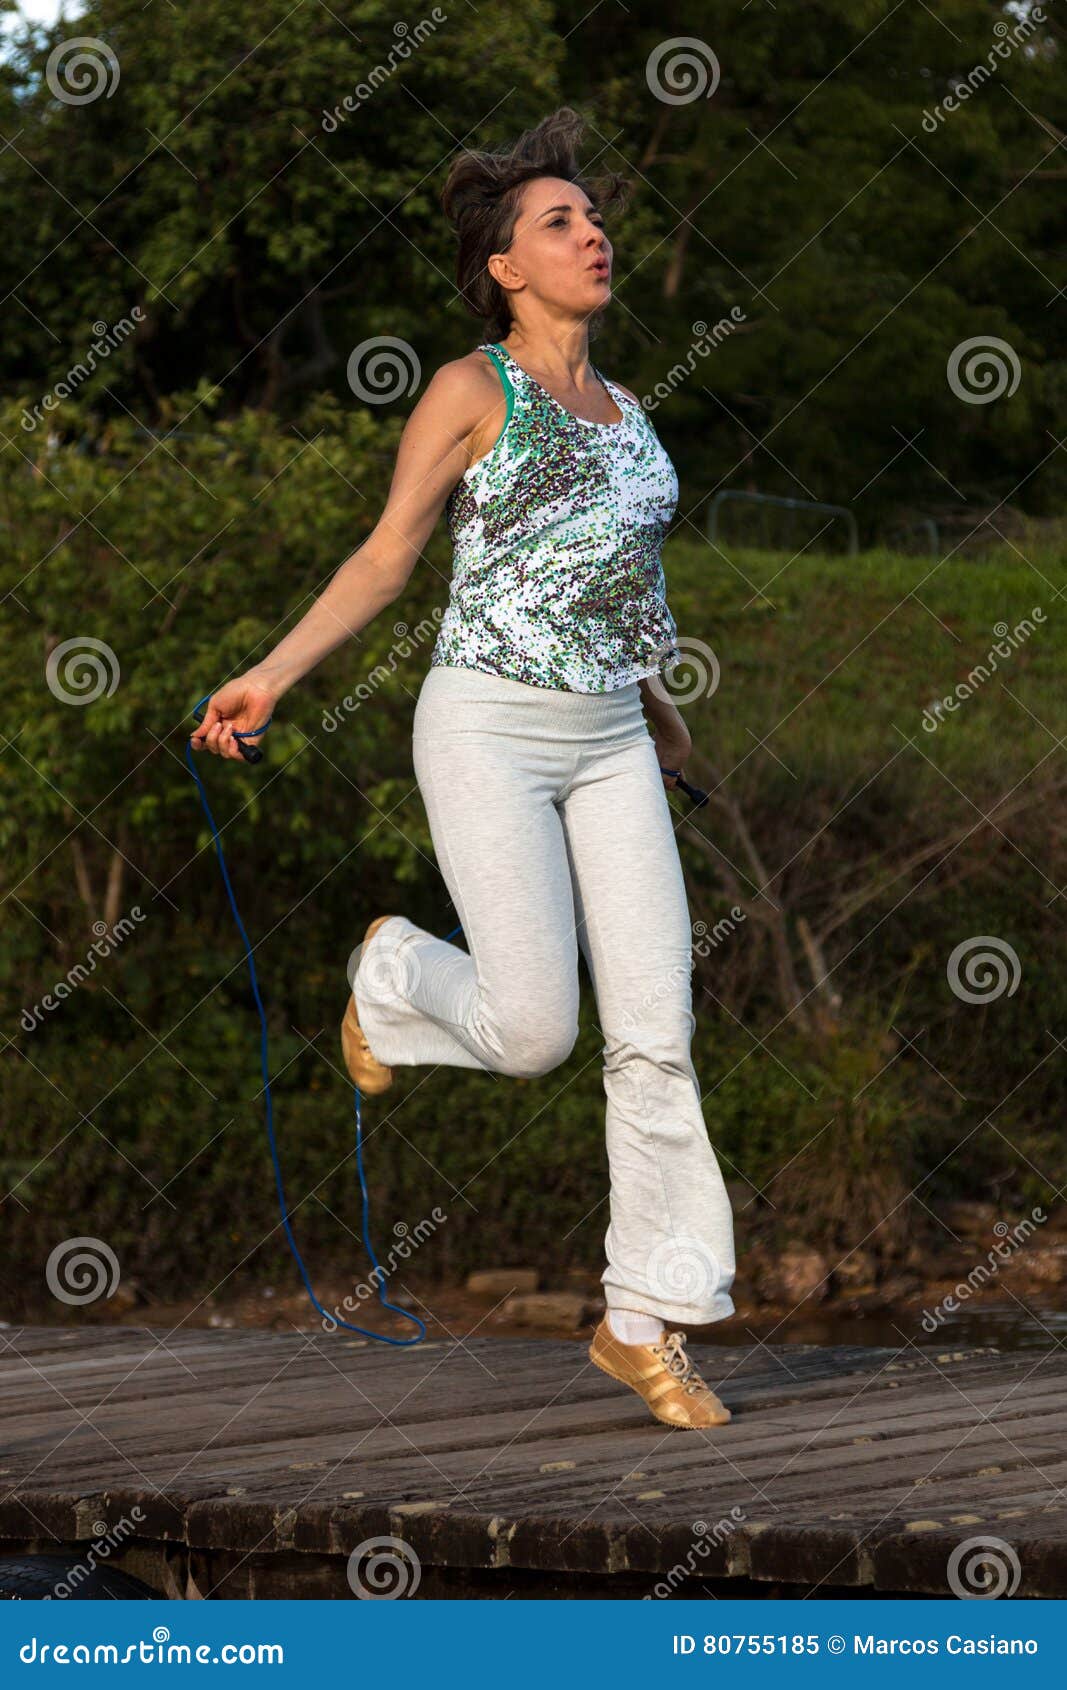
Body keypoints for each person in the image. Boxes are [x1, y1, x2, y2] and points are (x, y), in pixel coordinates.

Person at [191, 107, 736, 1431]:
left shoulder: (626, 411)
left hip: (610, 734)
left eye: (595, 216)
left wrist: (662, 718)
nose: (593, 232)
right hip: (486, 724)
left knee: (658, 1033)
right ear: (506, 266)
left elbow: (621, 586)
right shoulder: (467, 390)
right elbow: (389, 556)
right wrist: (274, 671)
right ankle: (391, 973)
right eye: (561, 222)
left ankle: (640, 1318)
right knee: (539, 1029)